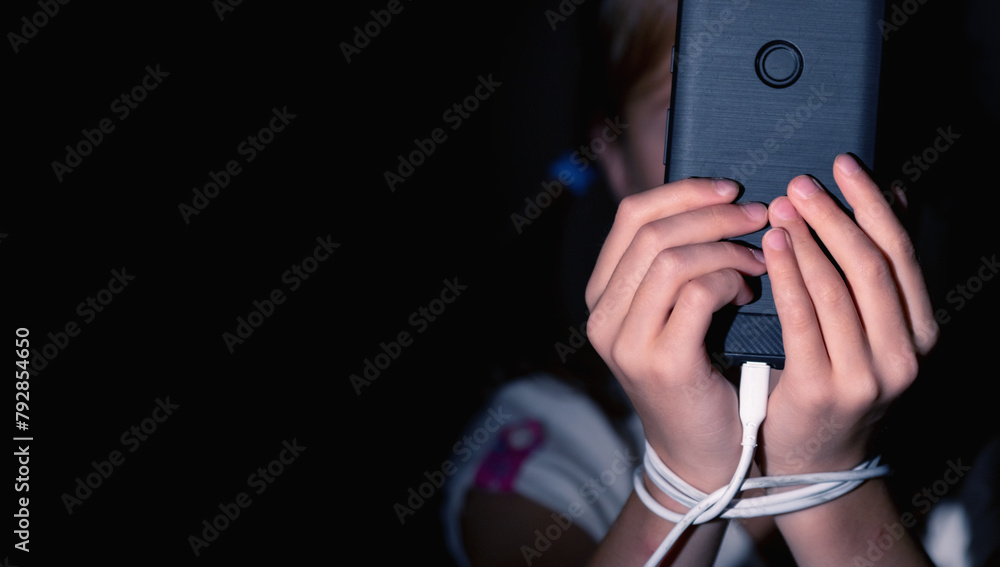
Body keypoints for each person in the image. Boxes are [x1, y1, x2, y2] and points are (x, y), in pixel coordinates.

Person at [440, 0, 990, 565]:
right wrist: (682, 474)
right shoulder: (549, 436)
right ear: (613, 153)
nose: (770, 151)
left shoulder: (976, 428)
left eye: (819, 101)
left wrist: (826, 480)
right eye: (701, 110)